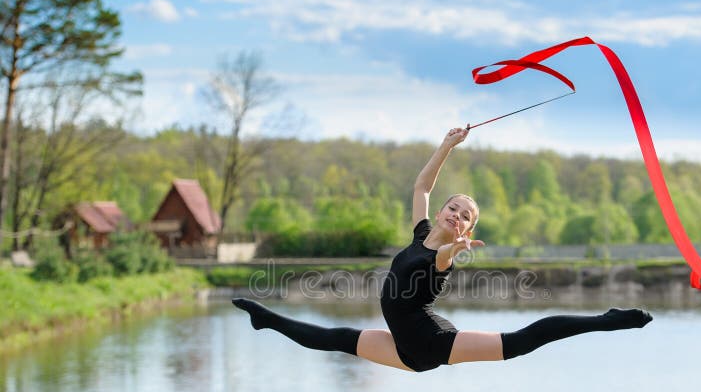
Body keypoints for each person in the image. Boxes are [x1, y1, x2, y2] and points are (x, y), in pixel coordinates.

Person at [233, 127, 652, 372]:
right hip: (403, 346)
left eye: (466, 216)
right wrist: (447, 145)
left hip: (431, 342)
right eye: (454, 208)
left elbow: (441, 261)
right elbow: (422, 186)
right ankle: (265, 318)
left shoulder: (442, 256)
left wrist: (458, 248)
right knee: (333, 338)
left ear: (468, 229)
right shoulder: (420, 235)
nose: (457, 215)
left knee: (525, 338)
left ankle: (610, 320)